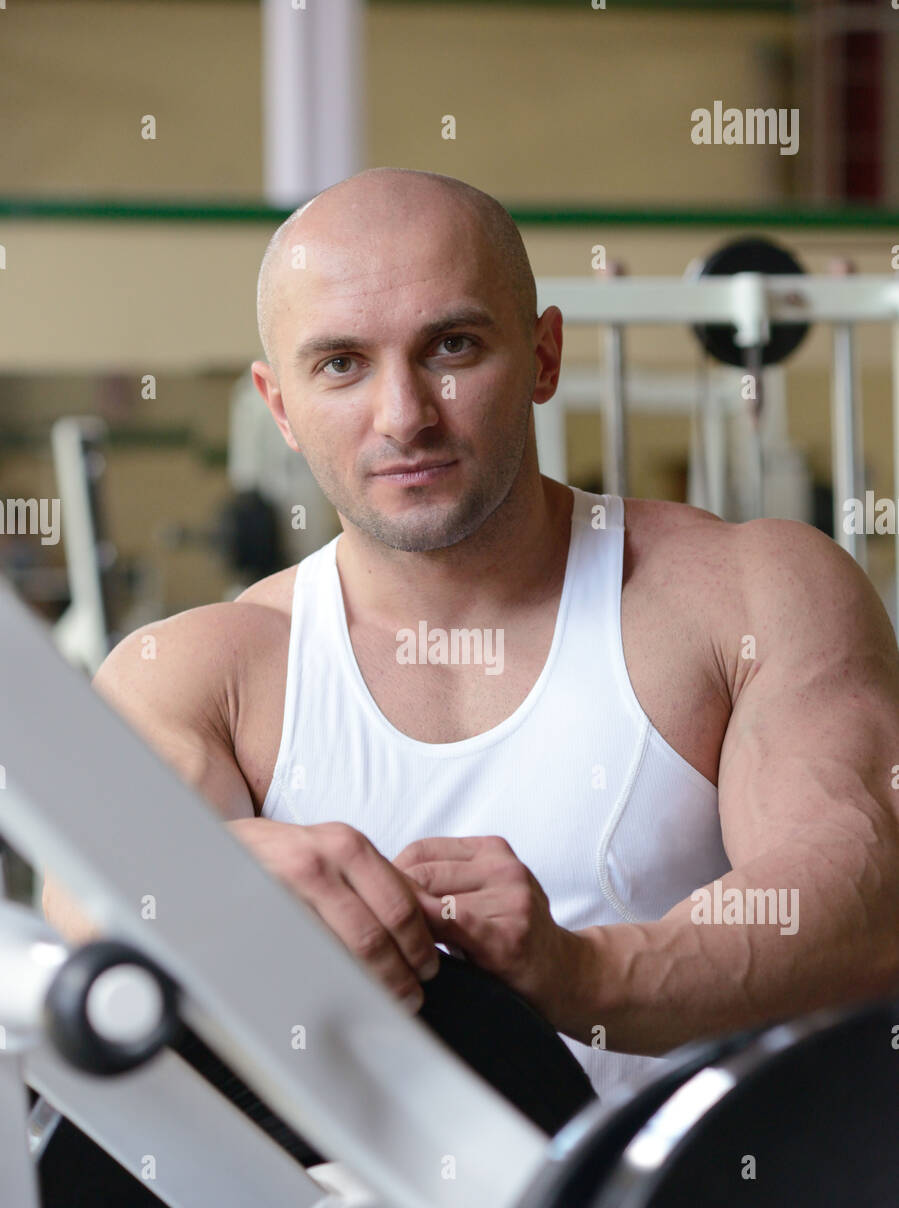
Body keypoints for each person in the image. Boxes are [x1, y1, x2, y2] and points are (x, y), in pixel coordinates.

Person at [43, 166, 899, 1100]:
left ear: (542, 358)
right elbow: (84, 894)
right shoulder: (202, 672)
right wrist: (211, 882)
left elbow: (860, 900)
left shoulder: (751, 593)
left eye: (451, 347)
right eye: (340, 365)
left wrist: (584, 976)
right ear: (279, 406)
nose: (404, 416)